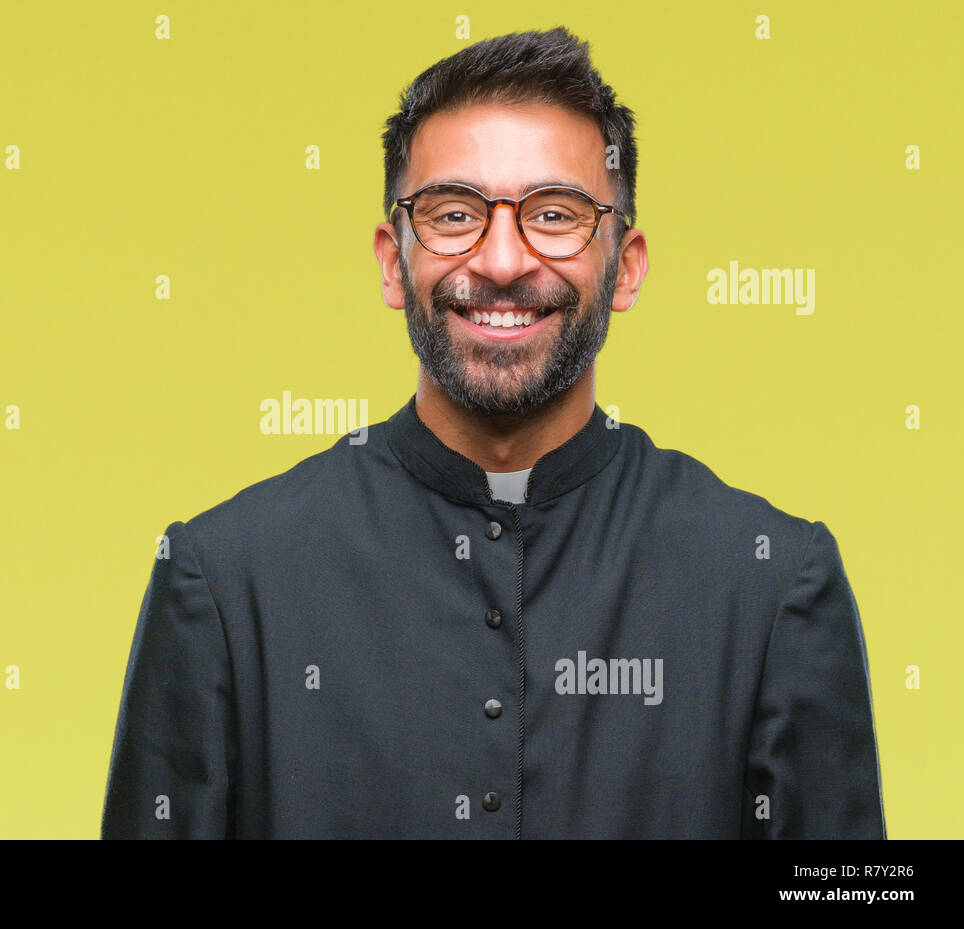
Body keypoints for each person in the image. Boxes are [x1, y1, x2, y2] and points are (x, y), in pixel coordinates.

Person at [101, 27, 885, 839]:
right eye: (453, 213)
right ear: (390, 261)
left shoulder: (773, 583)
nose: (503, 259)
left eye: (555, 214)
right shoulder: (224, 581)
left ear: (629, 264)